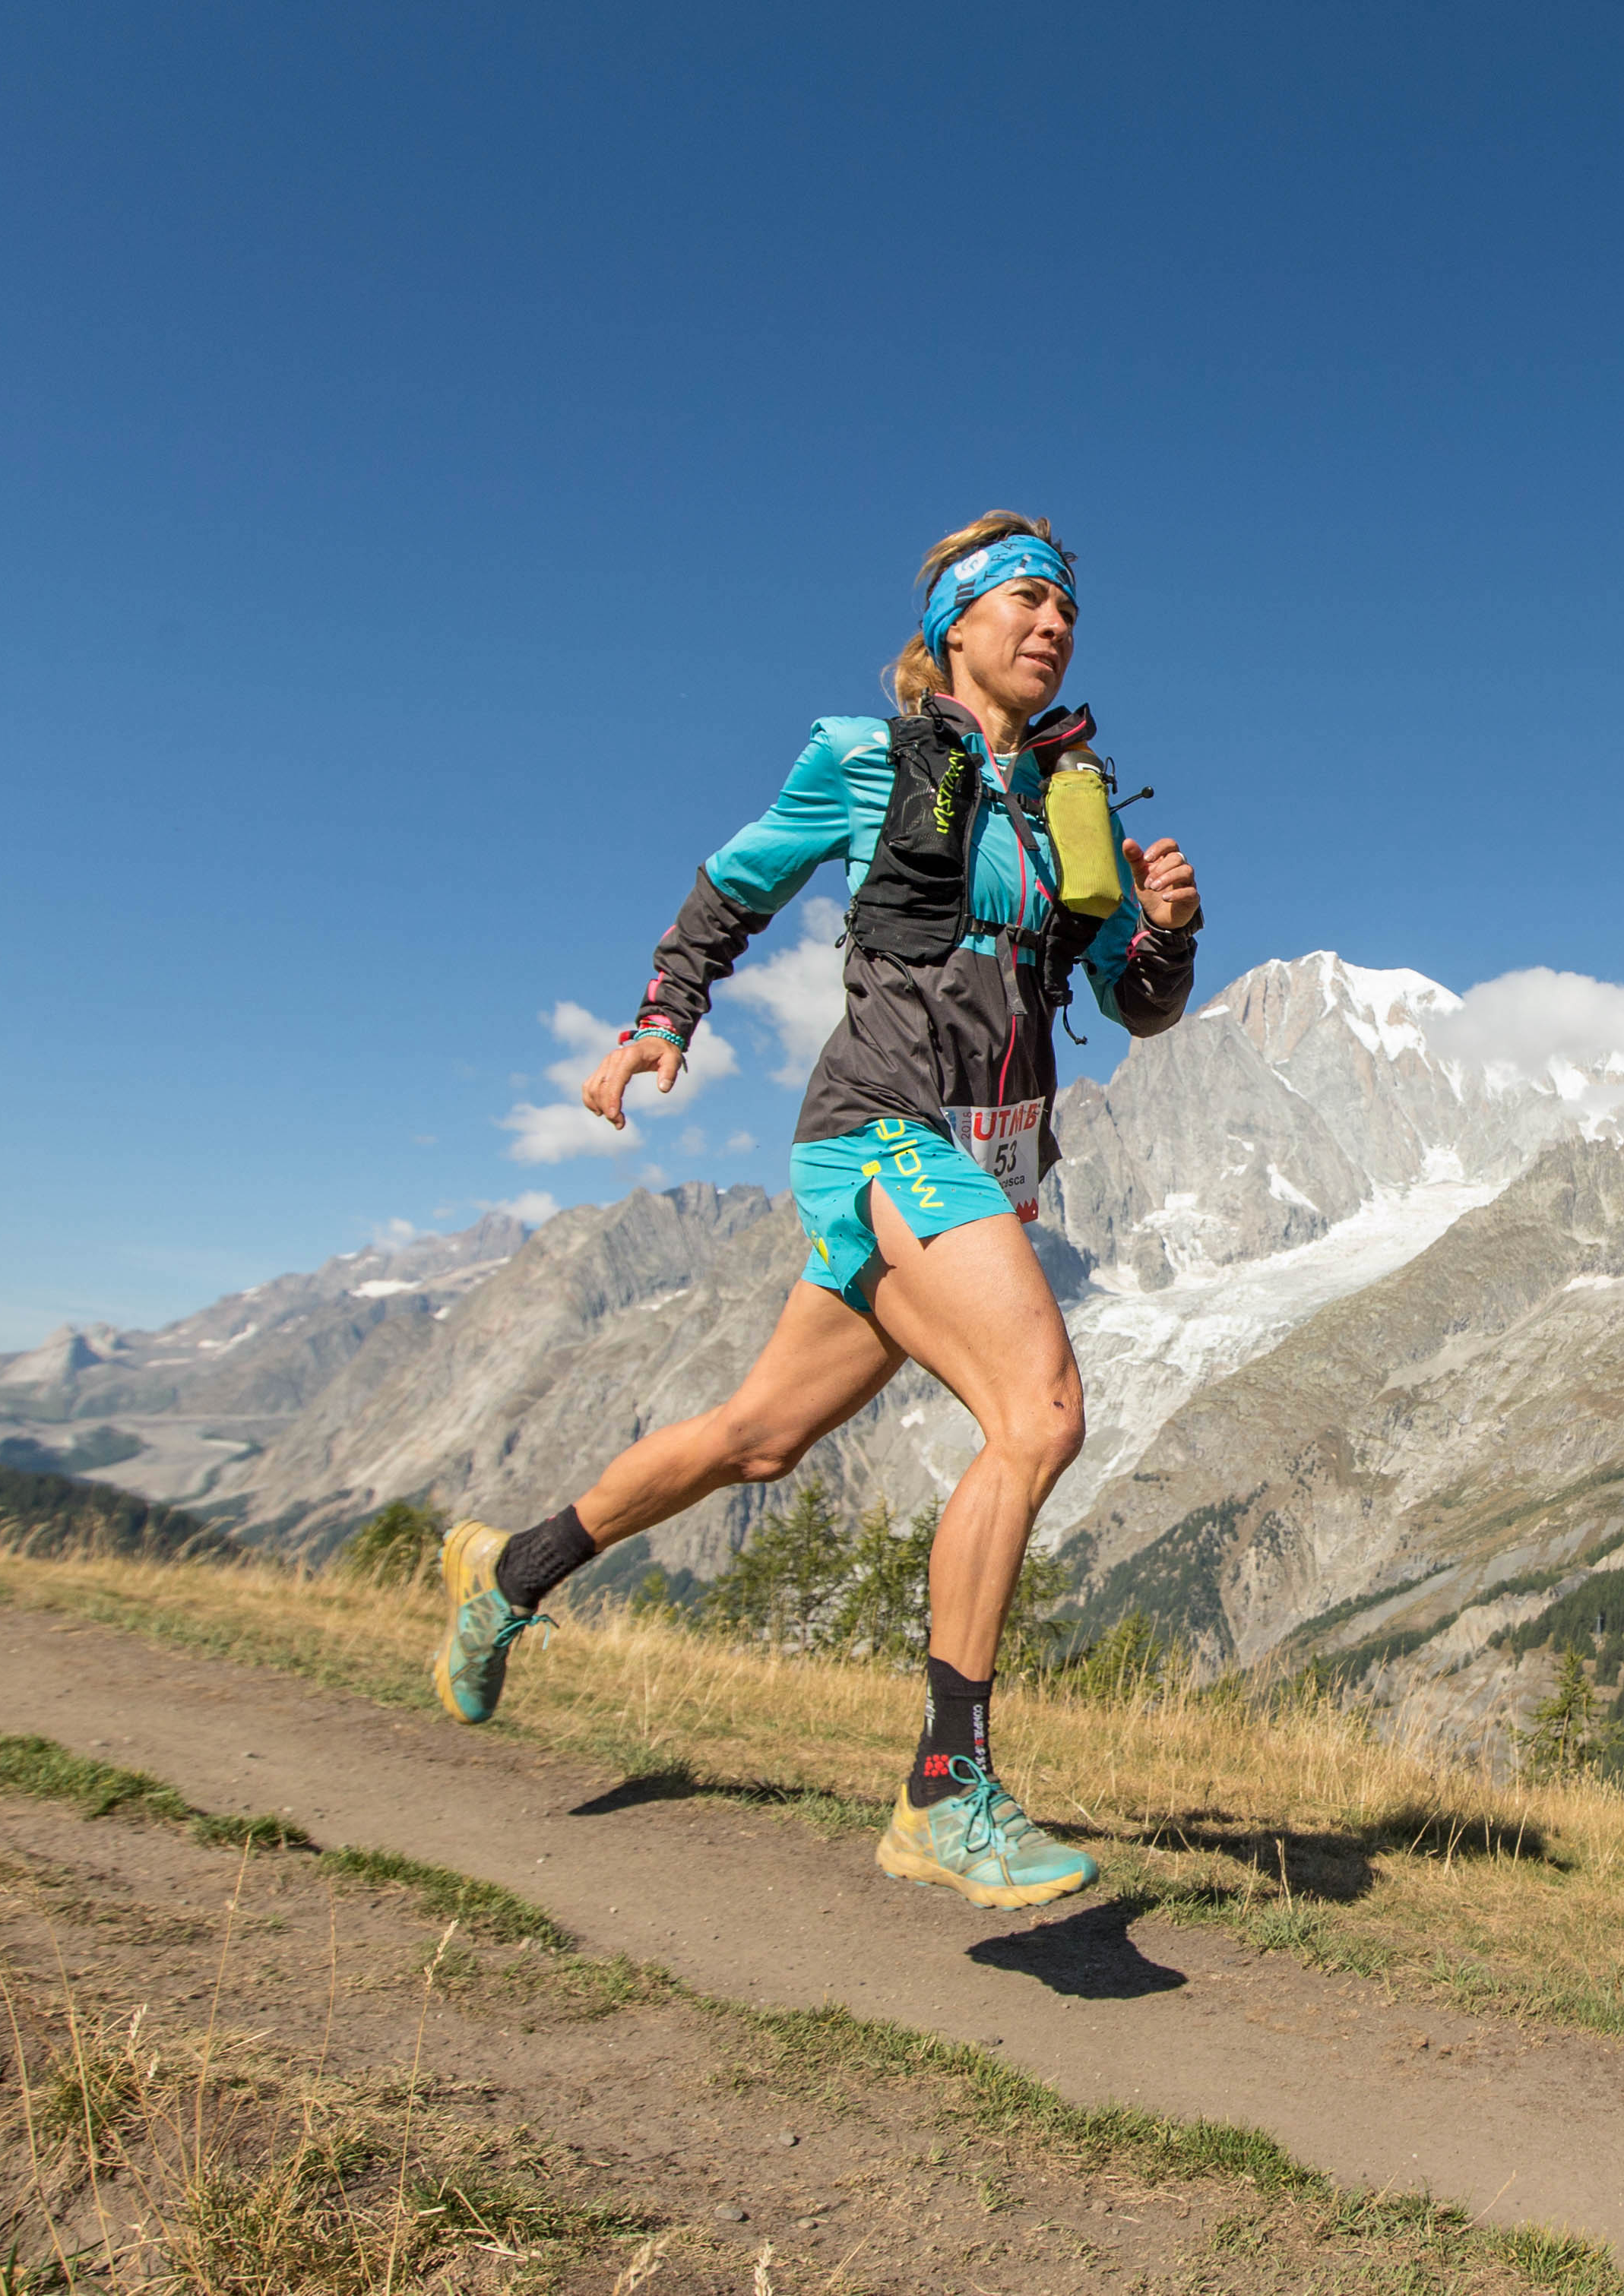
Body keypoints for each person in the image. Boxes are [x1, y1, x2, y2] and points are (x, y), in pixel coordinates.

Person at [428, 511, 1201, 1911]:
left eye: (1067, 609)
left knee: (758, 1437)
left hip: (982, 1171)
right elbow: (730, 888)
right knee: (1038, 1414)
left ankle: (506, 1575)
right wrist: (663, 1018)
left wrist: (1164, 930)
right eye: (1025, 600)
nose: (1053, 625)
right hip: (880, 1138)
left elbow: (1137, 1010)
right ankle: (943, 1790)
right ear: (956, 624)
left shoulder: (1065, 811)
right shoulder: (862, 758)